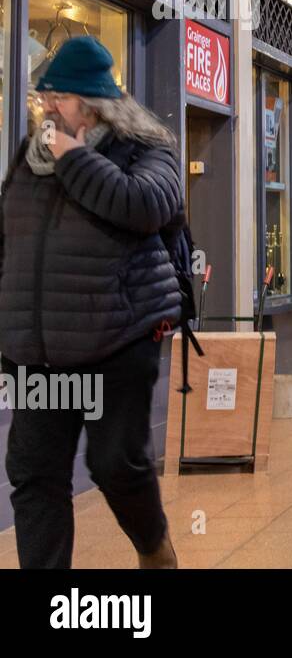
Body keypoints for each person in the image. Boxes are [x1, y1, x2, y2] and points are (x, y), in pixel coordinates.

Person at [0, 36, 182, 568]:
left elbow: (143, 206)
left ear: (96, 102)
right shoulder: (28, 159)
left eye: (59, 98)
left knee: (115, 464)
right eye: (43, 98)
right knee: (34, 473)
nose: (47, 108)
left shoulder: (147, 150)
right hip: (40, 350)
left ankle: (155, 547)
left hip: (119, 337)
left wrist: (72, 156)